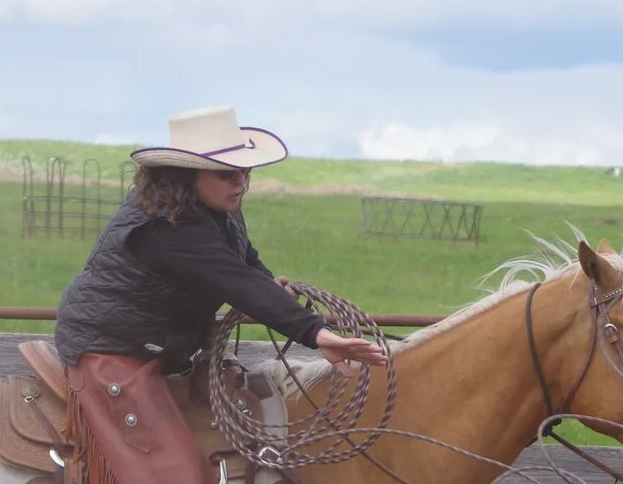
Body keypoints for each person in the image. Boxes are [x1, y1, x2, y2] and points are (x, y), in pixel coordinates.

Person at [55, 106, 390, 373]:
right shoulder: (165, 227)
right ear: (187, 177)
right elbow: (234, 280)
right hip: (111, 346)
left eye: (244, 173)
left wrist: (270, 286)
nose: (240, 183)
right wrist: (316, 334)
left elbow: (243, 262)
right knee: (173, 461)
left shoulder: (218, 207)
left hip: (164, 345)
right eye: (227, 174)